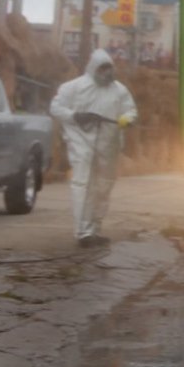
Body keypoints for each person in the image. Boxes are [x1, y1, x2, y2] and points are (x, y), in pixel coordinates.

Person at [50, 48, 137, 246]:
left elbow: (130, 110)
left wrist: (128, 119)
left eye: (109, 68)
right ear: (93, 68)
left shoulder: (119, 90)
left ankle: (95, 229)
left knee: (104, 186)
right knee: (83, 184)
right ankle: (83, 232)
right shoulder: (73, 87)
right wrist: (74, 116)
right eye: (103, 68)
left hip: (109, 143)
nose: (107, 72)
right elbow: (55, 107)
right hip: (81, 141)